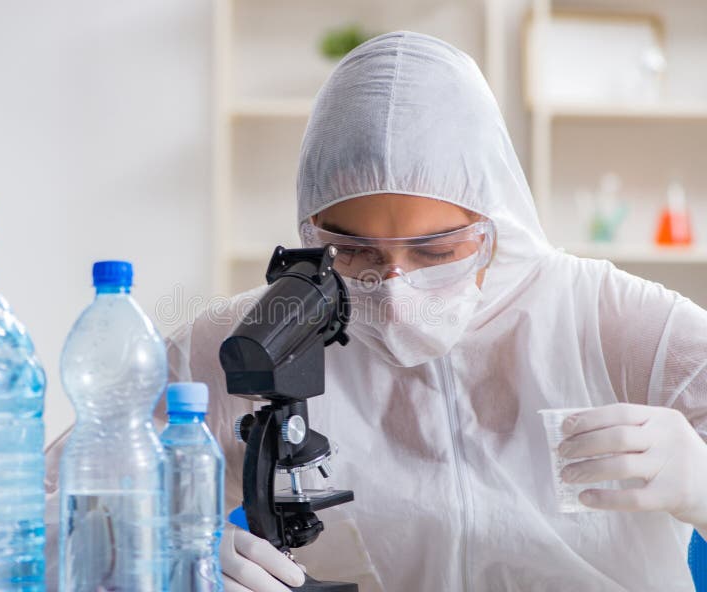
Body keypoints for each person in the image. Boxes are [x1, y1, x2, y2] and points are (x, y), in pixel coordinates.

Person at [45, 31, 707, 591]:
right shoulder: (253, 342)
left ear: (493, 223)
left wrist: (701, 484)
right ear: (310, 232)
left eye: (436, 250)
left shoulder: (611, 321)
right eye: (353, 251)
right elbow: (35, 511)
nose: (394, 285)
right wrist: (146, 549)